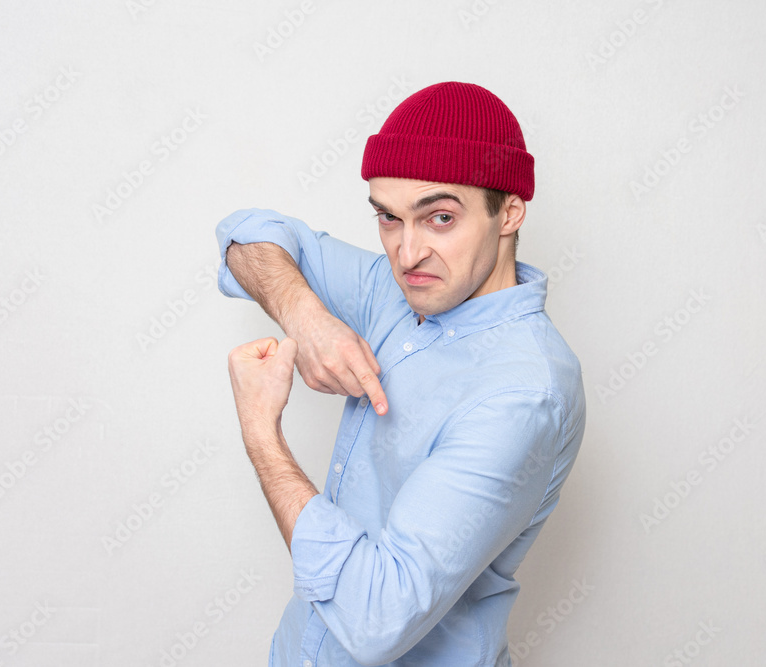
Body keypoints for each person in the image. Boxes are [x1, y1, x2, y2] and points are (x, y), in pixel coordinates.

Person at [218, 81, 586, 666]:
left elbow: (376, 619)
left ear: (510, 210)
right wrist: (306, 316)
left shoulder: (522, 394)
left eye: (440, 217)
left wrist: (262, 436)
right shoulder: (391, 293)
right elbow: (246, 235)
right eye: (388, 218)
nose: (407, 252)